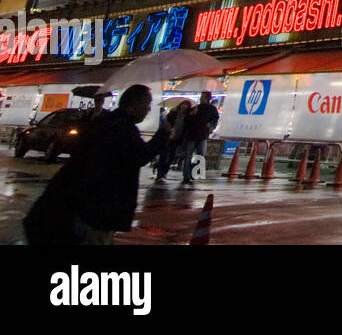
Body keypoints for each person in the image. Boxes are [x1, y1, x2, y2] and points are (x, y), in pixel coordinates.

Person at [32, 84, 172, 244]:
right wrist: (162, 136)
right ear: (133, 104)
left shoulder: (111, 122)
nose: (148, 109)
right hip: (99, 207)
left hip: (90, 205)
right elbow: (138, 156)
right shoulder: (121, 128)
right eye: (147, 103)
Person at [179, 91, 219, 186]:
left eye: (203, 97)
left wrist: (211, 125)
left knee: (196, 155)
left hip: (200, 135)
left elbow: (215, 119)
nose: (201, 98)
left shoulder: (210, 109)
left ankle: (190, 174)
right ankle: (188, 175)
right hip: (195, 135)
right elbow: (187, 120)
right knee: (194, 155)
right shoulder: (197, 108)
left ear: (207, 98)